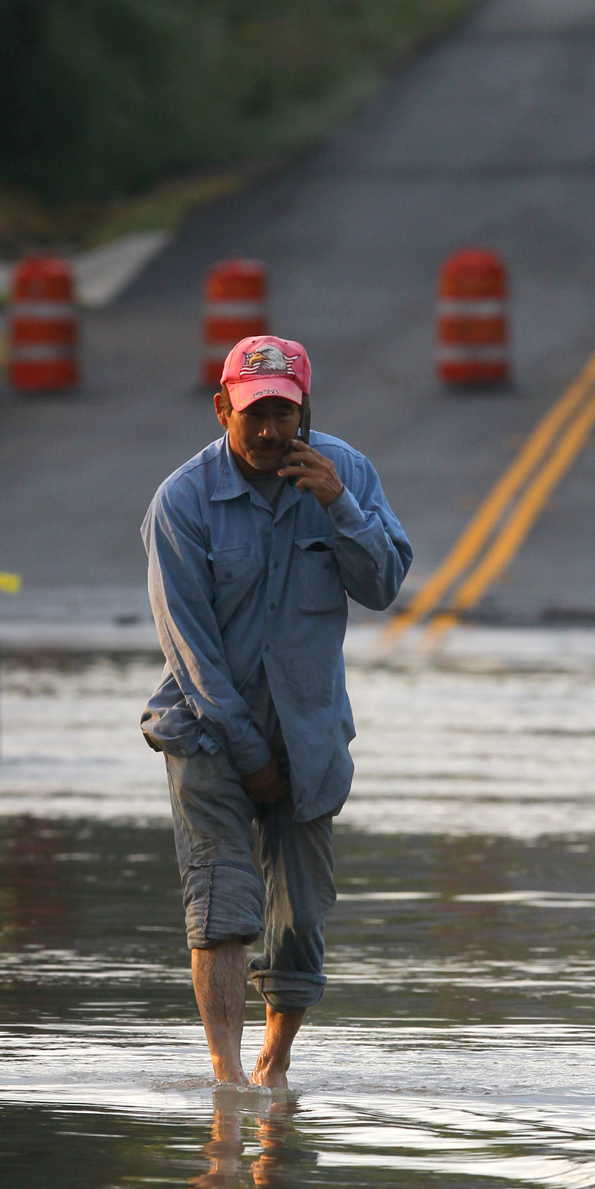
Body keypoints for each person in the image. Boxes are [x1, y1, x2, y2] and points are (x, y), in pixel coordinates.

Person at [141, 334, 411, 1087]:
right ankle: (226, 1082)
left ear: (304, 413)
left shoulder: (346, 473)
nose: (267, 432)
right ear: (222, 408)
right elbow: (187, 645)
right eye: (252, 413)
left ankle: (272, 1067)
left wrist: (337, 504)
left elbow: (384, 582)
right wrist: (246, 751)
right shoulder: (181, 501)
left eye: (282, 415)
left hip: (309, 734)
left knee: (298, 925)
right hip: (205, 730)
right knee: (223, 905)